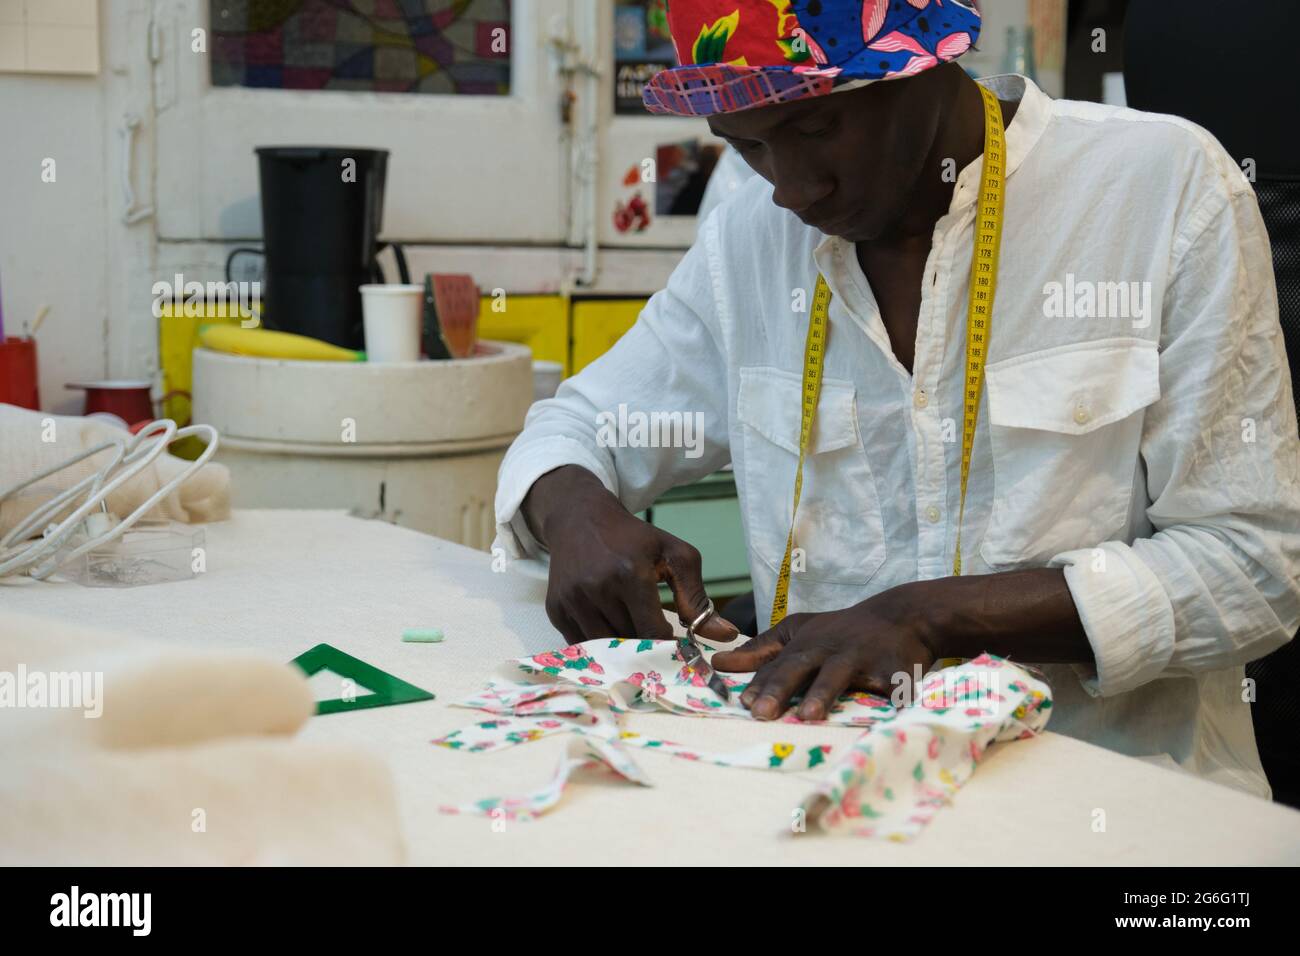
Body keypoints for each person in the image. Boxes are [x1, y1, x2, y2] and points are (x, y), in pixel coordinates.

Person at [493, 0, 1300, 798]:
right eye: (746, 146)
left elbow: (1252, 568)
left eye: (813, 130)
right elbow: (578, 425)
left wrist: (931, 617)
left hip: (1112, 806)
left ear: (928, 60)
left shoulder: (1157, 188)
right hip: (831, 794)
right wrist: (574, 511)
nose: (791, 189)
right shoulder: (749, 243)